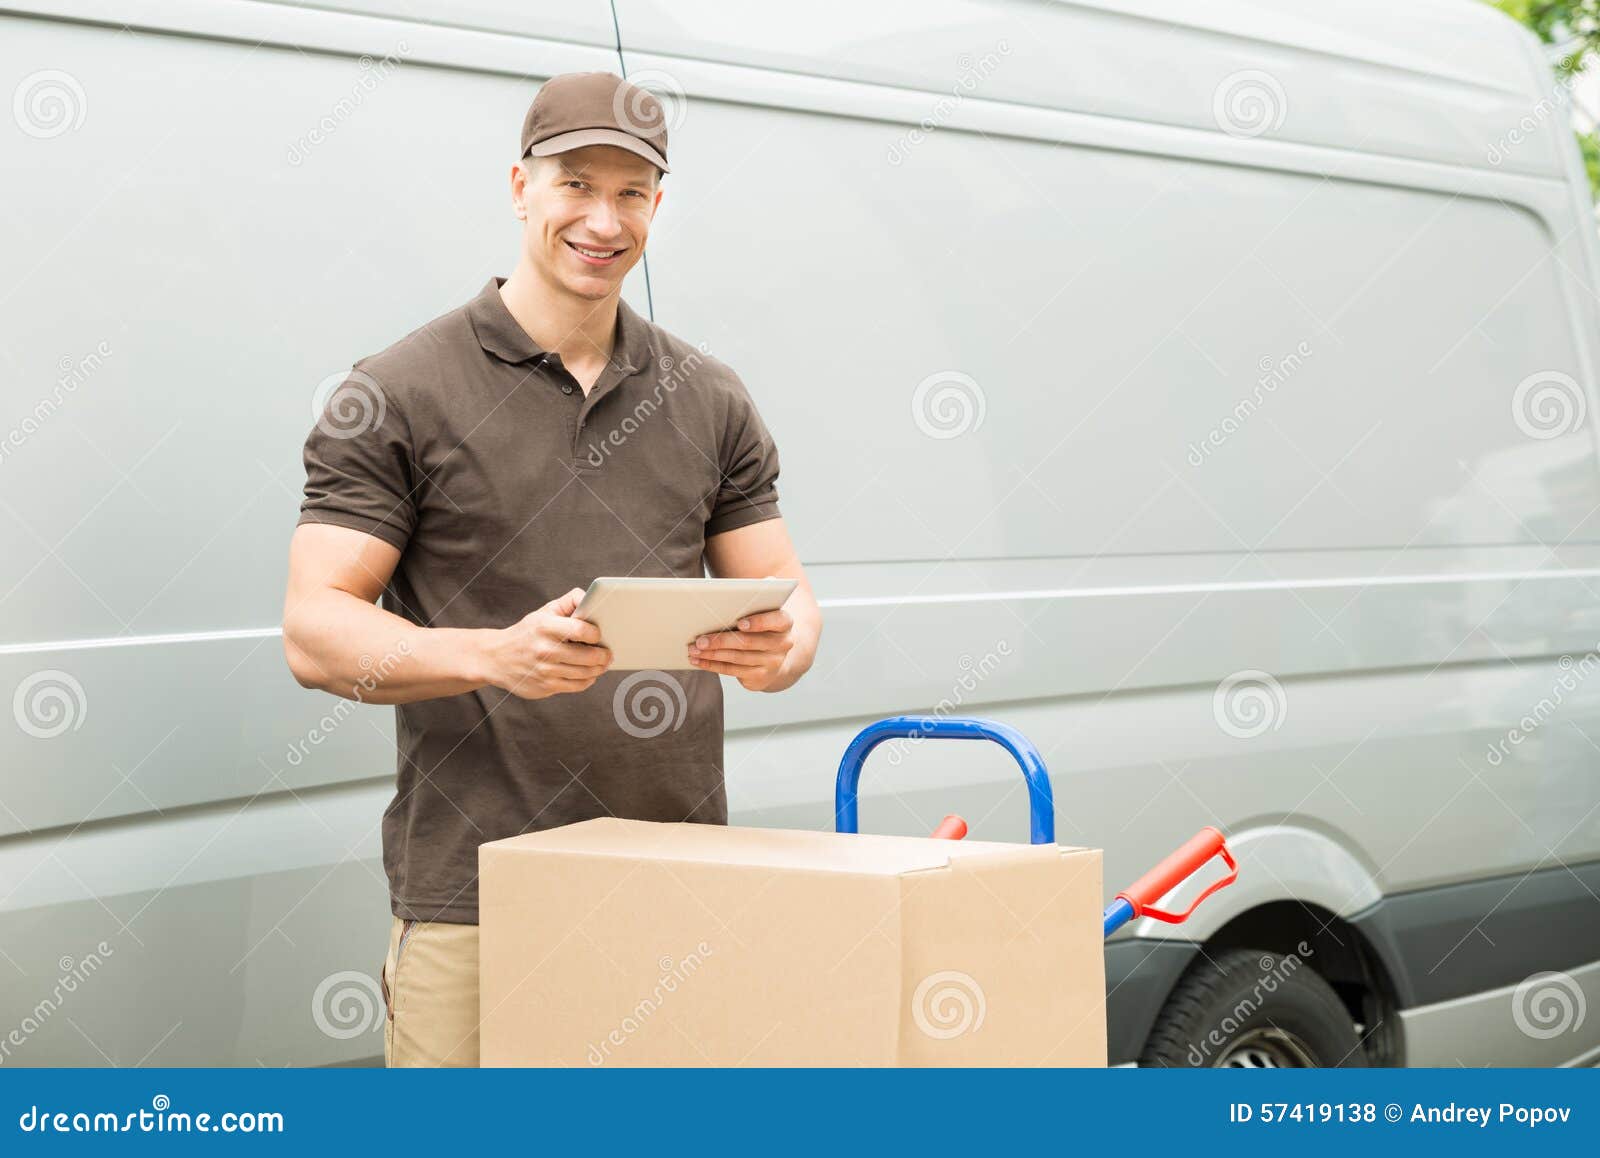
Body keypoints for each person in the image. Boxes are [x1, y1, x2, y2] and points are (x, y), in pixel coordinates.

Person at [281, 71, 821, 1066]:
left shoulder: (710, 398)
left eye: (629, 194)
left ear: (657, 206)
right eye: (576, 184)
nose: (602, 219)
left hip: (675, 880)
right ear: (520, 185)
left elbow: (791, 612)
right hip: (475, 901)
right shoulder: (398, 392)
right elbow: (315, 631)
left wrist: (774, 649)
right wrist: (494, 657)